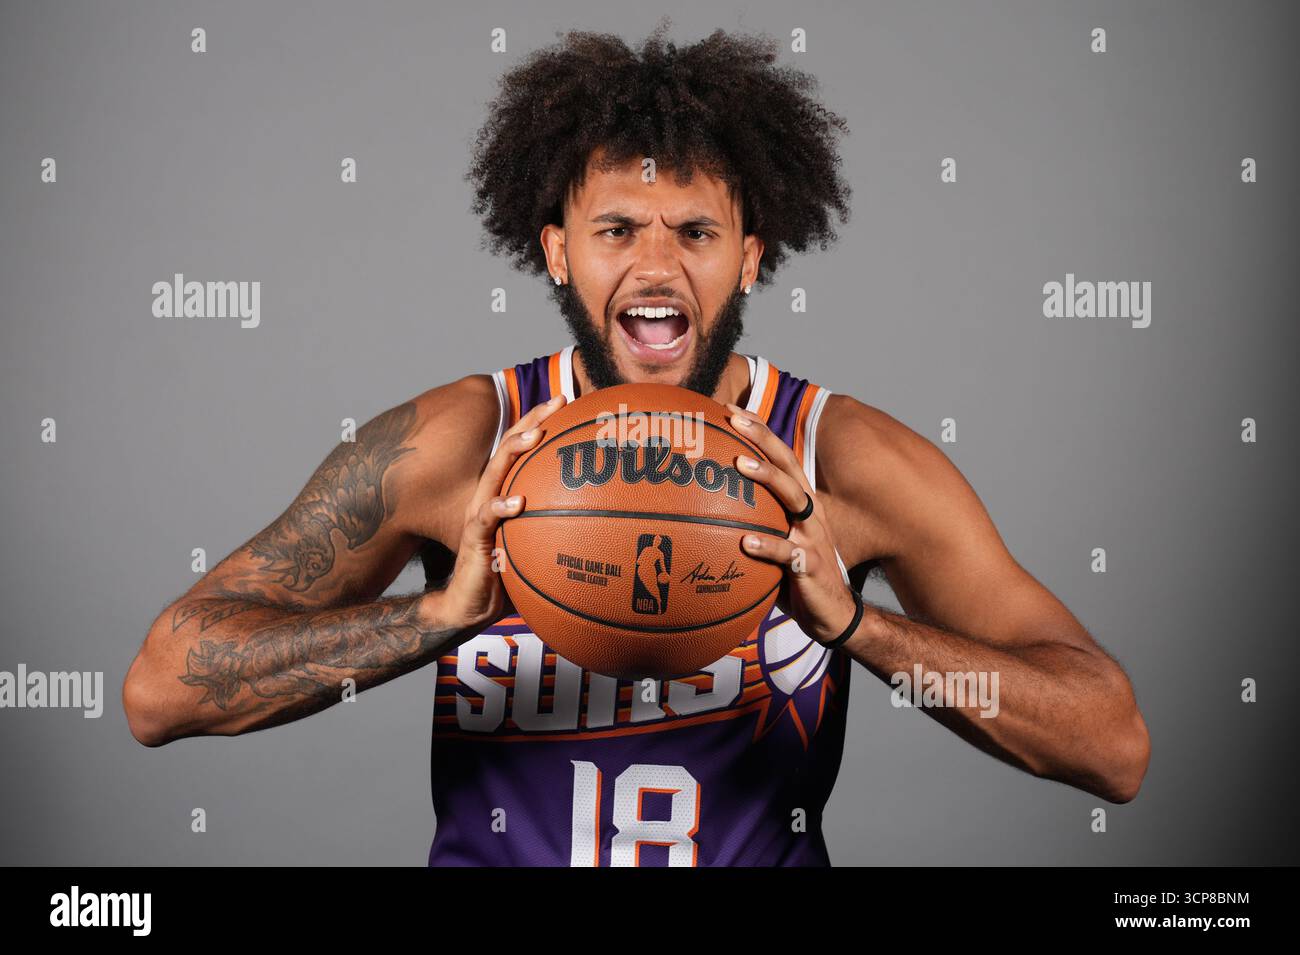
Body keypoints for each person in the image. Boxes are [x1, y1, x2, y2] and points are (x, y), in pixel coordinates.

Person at [123, 24, 1149, 866]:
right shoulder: (458, 445)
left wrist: (856, 629)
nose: (655, 266)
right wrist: (435, 616)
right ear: (557, 252)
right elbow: (162, 686)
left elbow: (1111, 745)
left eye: (694, 232)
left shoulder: (845, 462)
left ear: (751, 256)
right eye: (617, 230)